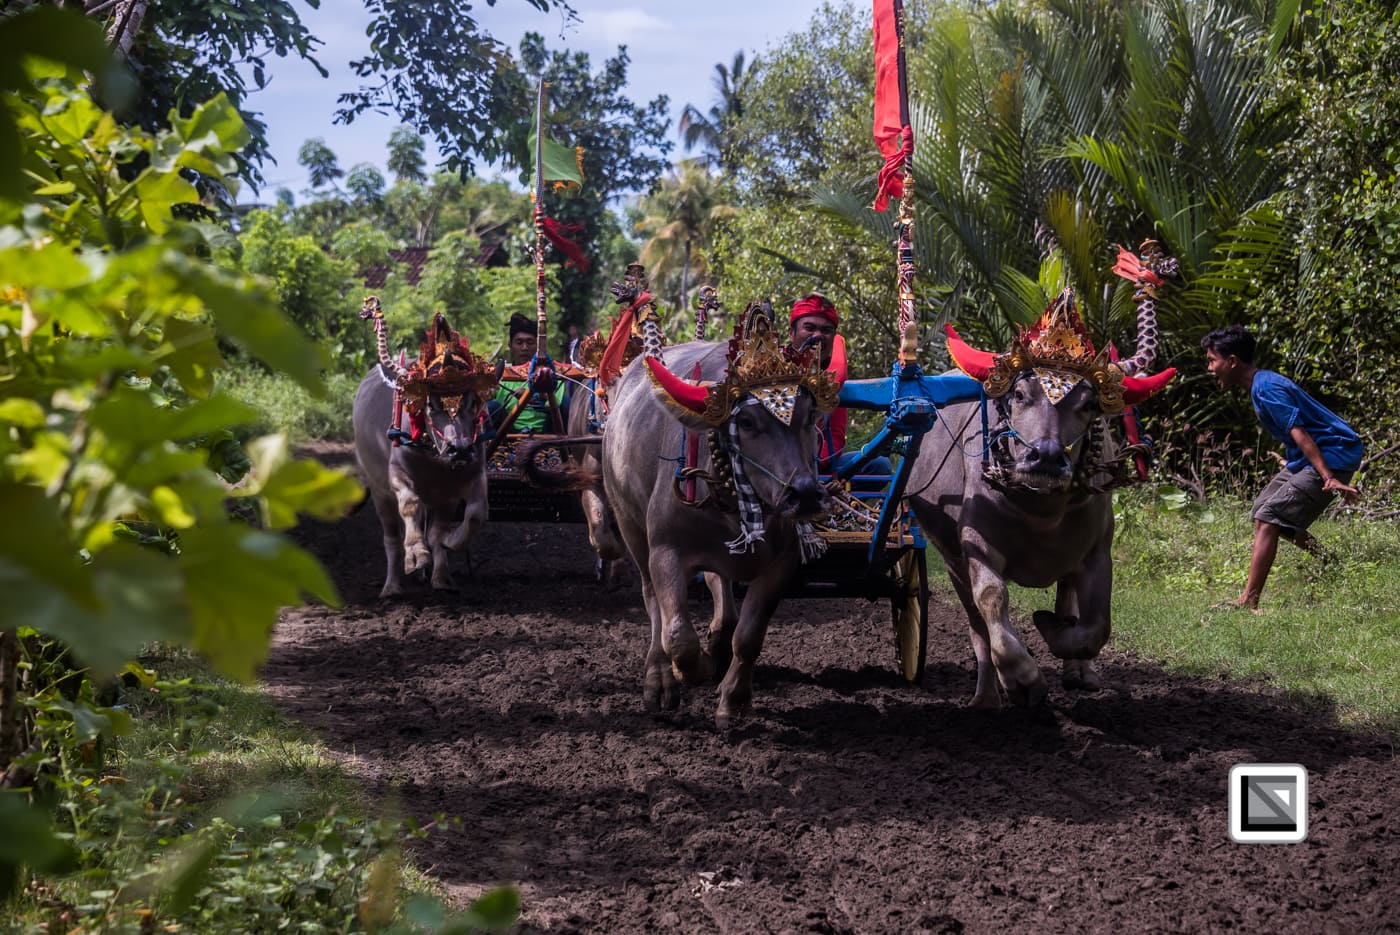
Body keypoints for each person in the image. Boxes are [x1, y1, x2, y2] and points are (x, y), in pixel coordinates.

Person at [1201, 324, 1362, 610]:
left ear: (1233, 361)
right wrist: (1292, 462)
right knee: (1261, 509)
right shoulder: (1260, 385)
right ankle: (1332, 563)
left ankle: (1248, 601)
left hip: (1333, 456)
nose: (1210, 368)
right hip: (1312, 456)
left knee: (1269, 516)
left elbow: (1301, 432)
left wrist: (1328, 477)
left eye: (1212, 360)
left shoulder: (1266, 388)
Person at [787, 292, 891, 483]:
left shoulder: (833, 378)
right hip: (777, 463)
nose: (818, 335)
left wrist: (815, 461)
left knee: (879, 466)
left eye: (826, 330)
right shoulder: (772, 370)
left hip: (818, 463)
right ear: (791, 333)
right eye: (809, 328)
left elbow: (835, 435)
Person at [489, 313, 568, 433]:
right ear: (510, 346)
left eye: (530, 342)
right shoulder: (500, 371)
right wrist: (513, 396)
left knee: (566, 403)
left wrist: (538, 397)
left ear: (538, 346)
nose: (524, 348)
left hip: (546, 432)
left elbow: (558, 406)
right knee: (491, 406)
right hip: (507, 433)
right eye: (519, 342)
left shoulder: (553, 373)